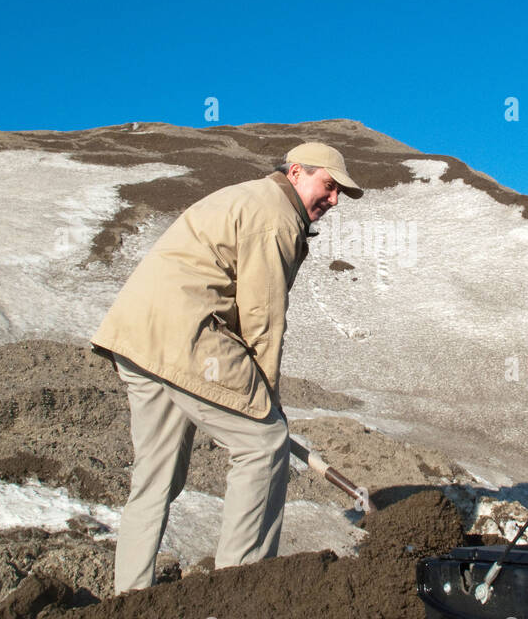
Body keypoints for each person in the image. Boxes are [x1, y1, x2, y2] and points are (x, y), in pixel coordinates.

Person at [91, 142, 363, 593]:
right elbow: (262, 317)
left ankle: (129, 600)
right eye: (329, 186)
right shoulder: (274, 213)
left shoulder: (250, 198)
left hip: (139, 338)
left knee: (155, 477)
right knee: (264, 444)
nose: (333, 200)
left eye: (339, 193)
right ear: (296, 172)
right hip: (188, 335)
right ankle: (240, 595)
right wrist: (267, 404)